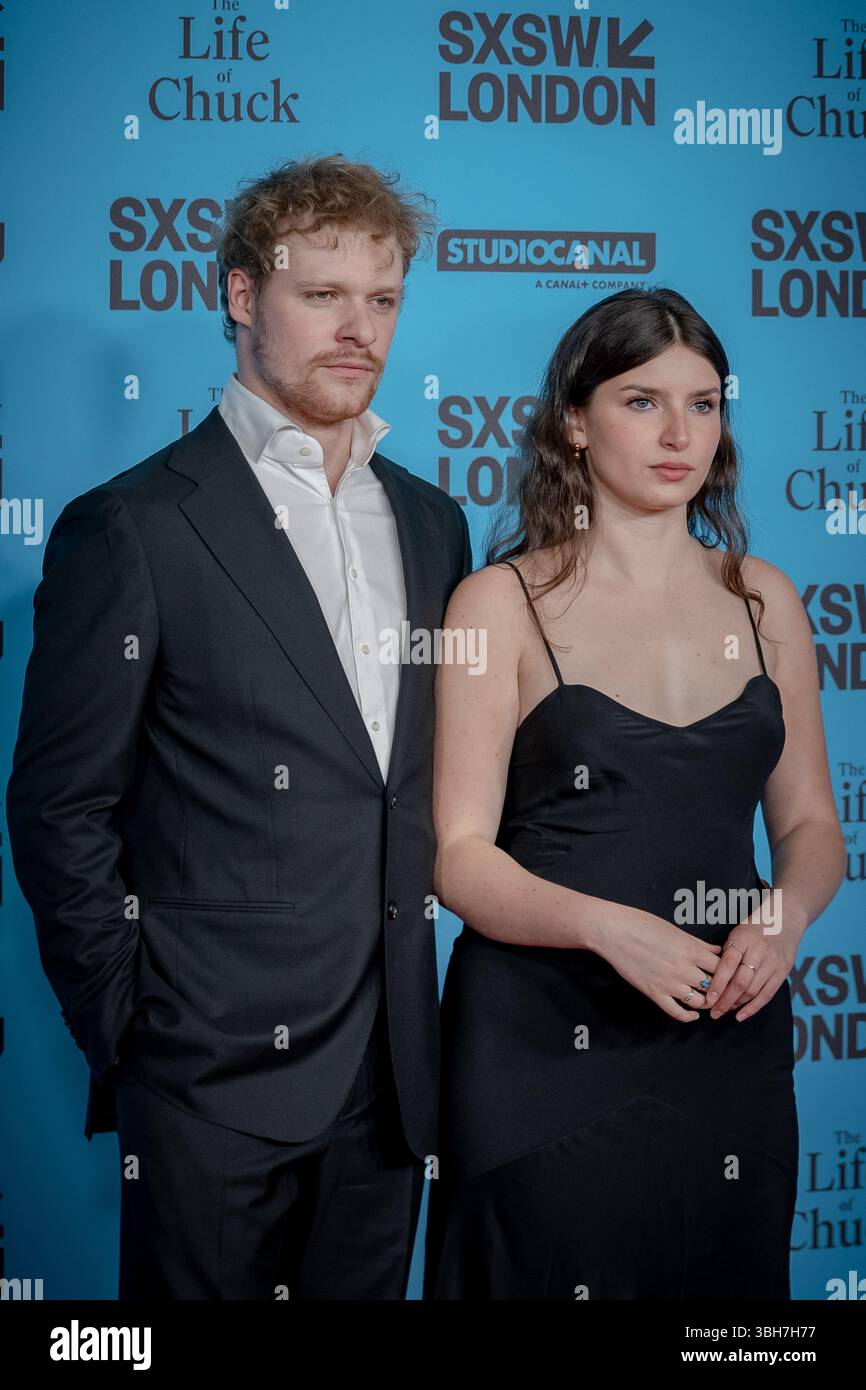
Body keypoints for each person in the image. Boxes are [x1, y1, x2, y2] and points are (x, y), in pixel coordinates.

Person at [6, 154, 472, 1299]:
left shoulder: (432, 522)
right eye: (322, 295)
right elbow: (59, 804)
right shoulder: (132, 526)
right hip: (206, 1076)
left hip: (391, 1076)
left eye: (382, 298)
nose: (357, 329)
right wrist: (137, 1029)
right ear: (238, 296)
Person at [423, 286, 846, 1300]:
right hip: (540, 1047)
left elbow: (809, 825)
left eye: (702, 404)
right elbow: (457, 856)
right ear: (573, 418)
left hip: (724, 1044)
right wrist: (608, 929)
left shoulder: (763, 598)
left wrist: (780, 924)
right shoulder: (499, 600)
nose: (678, 433)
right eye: (641, 400)